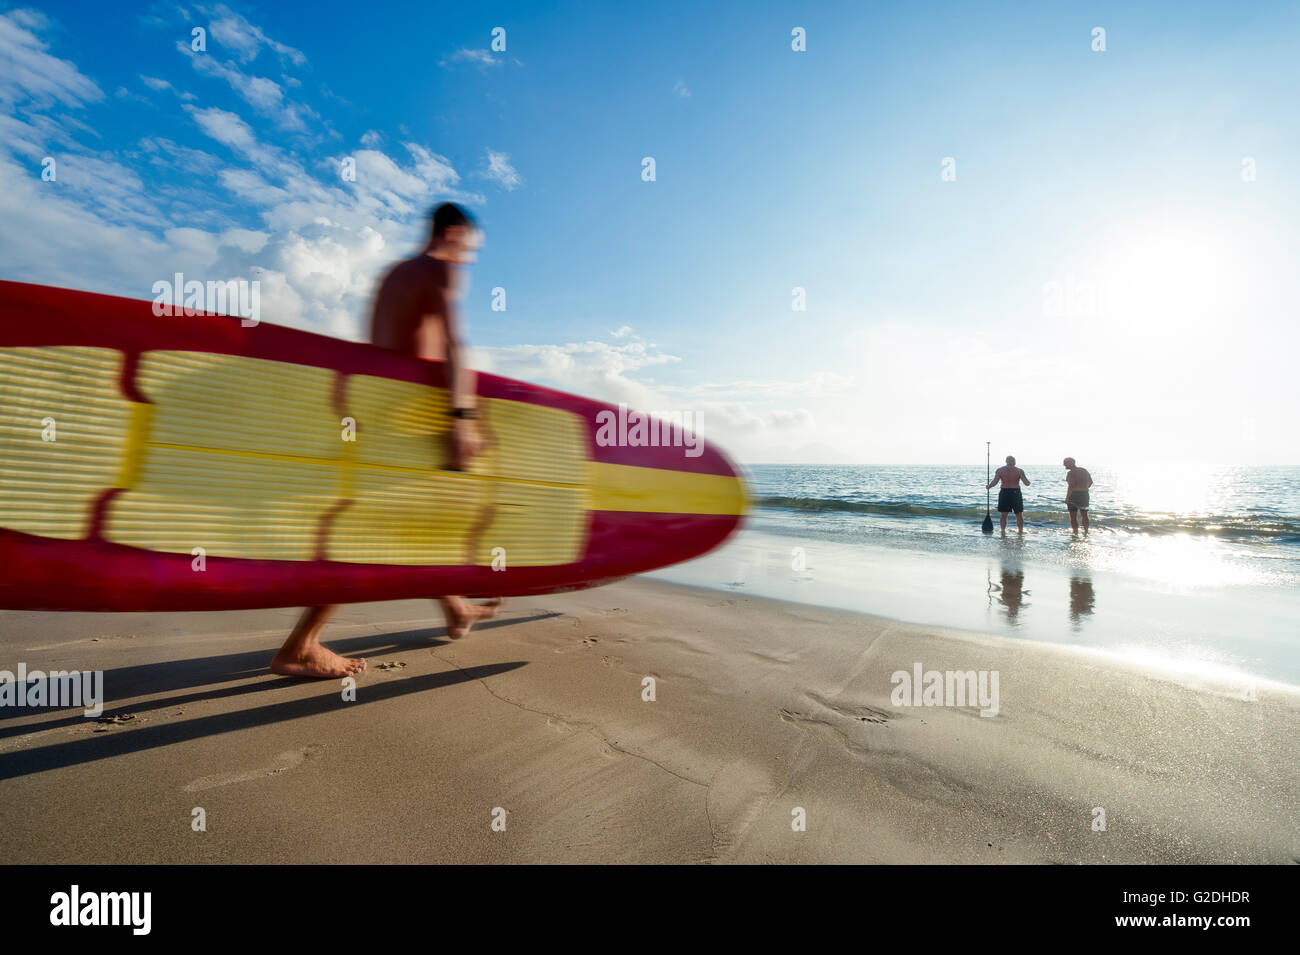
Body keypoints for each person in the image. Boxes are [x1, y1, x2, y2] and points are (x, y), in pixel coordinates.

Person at [270, 203, 500, 679]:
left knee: (416, 524)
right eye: (470, 248)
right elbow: (456, 344)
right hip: (404, 420)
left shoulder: (396, 273)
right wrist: (463, 417)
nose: (470, 260)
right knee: (370, 530)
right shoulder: (439, 268)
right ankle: (302, 645)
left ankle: (456, 609)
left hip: (374, 408)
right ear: (454, 233)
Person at [986, 454, 1030, 533]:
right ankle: (1020, 531)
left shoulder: (1000, 470)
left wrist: (989, 486)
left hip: (1004, 492)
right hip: (1015, 493)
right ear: (1014, 462)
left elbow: (995, 482)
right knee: (1019, 514)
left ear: (1006, 461)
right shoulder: (1019, 470)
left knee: (1004, 514)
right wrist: (1027, 481)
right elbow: (1026, 483)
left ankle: (1003, 531)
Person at [1063, 456, 1093, 534]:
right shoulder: (1084, 470)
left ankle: (1075, 532)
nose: (1064, 465)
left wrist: (1067, 498)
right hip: (1085, 494)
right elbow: (1090, 482)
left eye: (1065, 463)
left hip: (1074, 495)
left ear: (1071, 463)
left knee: (1073, 516)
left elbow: (1071, 487)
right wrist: (1084, 488)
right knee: (1084, 515)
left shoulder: (1070, 473)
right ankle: (1086, 532)